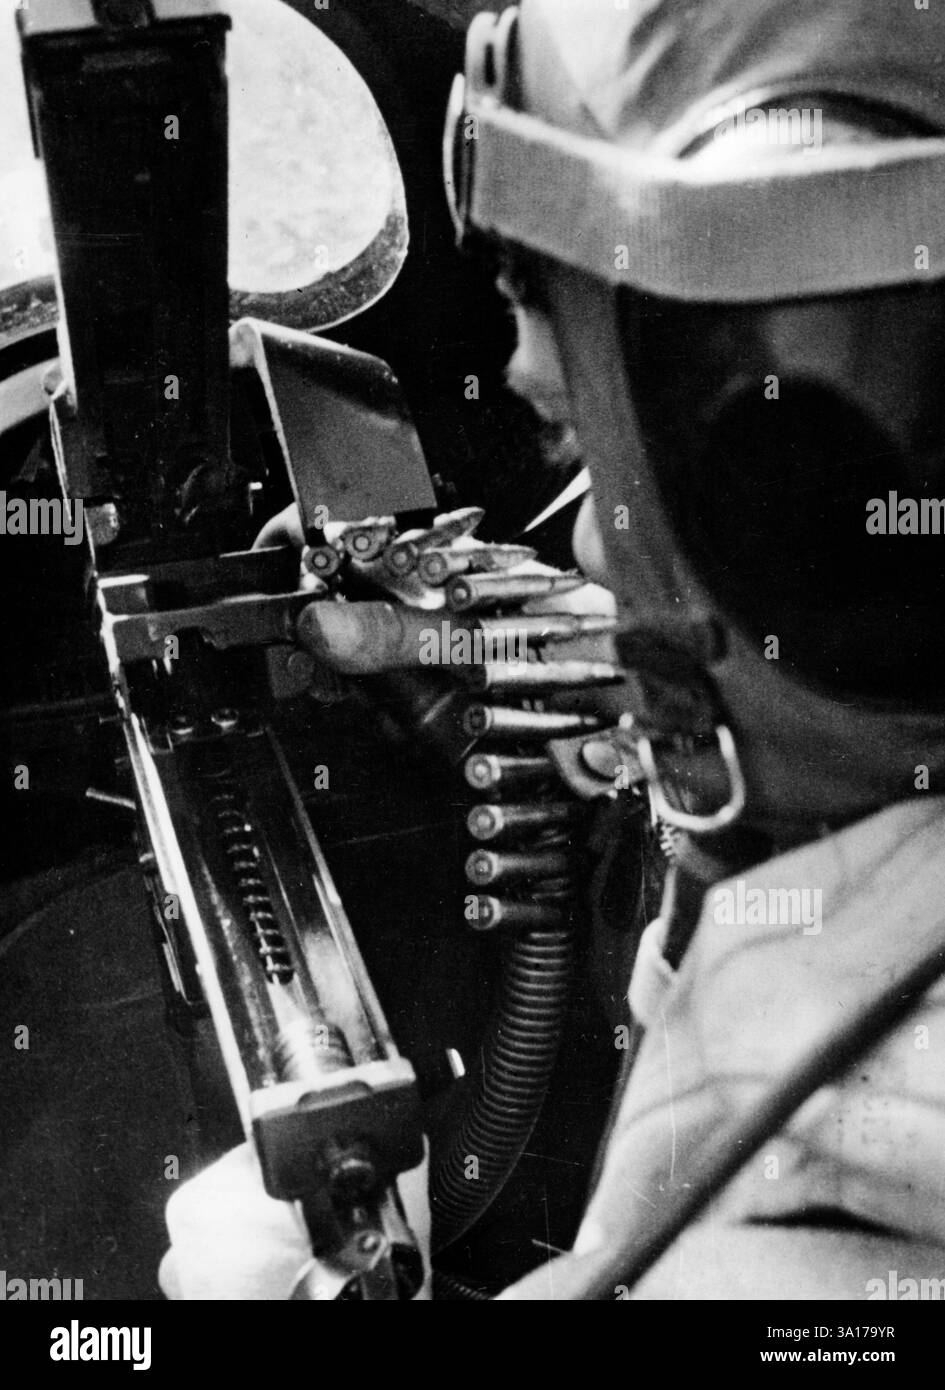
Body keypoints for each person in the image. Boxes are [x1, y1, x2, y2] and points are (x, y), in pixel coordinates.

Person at [162, 0, 945, 1299]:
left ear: (795, 505)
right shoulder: (861, 685)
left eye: (588, 455)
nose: (586, 550)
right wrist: (447, 621)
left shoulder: (846, 1200)